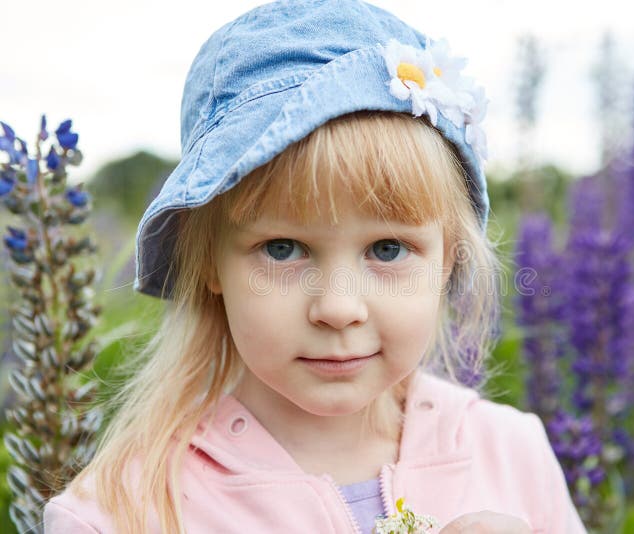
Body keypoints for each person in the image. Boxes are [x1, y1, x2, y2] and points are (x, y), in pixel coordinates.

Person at [43, 0, 586, 532]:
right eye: (282, 248)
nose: (338, 308)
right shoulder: (125, 509)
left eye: (388, 249)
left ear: (448, 260)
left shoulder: (514, 456)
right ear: (208, 261)